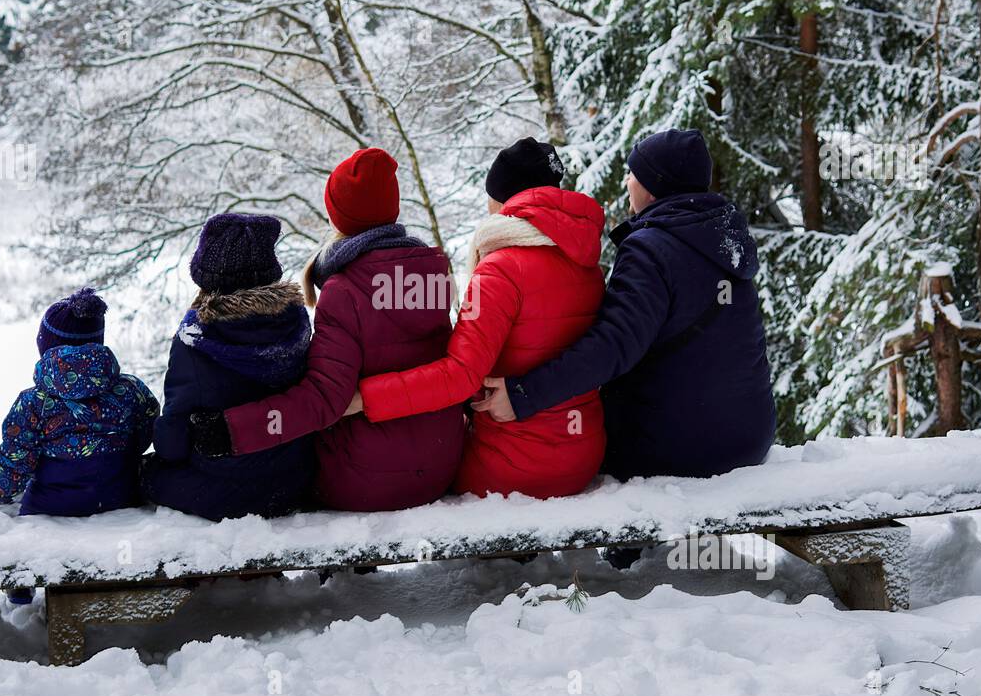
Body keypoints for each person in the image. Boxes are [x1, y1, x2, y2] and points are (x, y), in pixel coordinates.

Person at [475, 128, 775, 490]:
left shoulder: (651, 250)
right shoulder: (726, 241)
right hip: (750, 438)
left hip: (686, 449)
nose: (627, 181)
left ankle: (631, 550)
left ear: (652, 187)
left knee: (580, 450)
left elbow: (612, 347)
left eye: (633, 174)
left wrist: (524, 395)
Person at [186, 148, 465, 512]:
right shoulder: (432, 275)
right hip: (440, 468)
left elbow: (325, 398)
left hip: (368, 480)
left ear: (338, 216)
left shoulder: (344, 290)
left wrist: (232, 429)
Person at [350, 137, 607, 499]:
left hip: (512, 469)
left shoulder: (502, 268)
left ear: (504, 199)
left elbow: (460, 376)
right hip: (583, 456)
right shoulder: (587, 264)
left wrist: (363, 397)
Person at [140, 213, 316, 521]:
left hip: (226, 495)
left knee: (149, 474)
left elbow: (173, 440)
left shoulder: (195, 339)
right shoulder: (297, 325)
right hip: (295, 480)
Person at [0, 287, 159, 518]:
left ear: (47, 347)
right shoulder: (130, 390)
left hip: (49, 511)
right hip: (121, 500)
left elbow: (14, 461)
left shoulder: (33, 402)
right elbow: (147, 431)